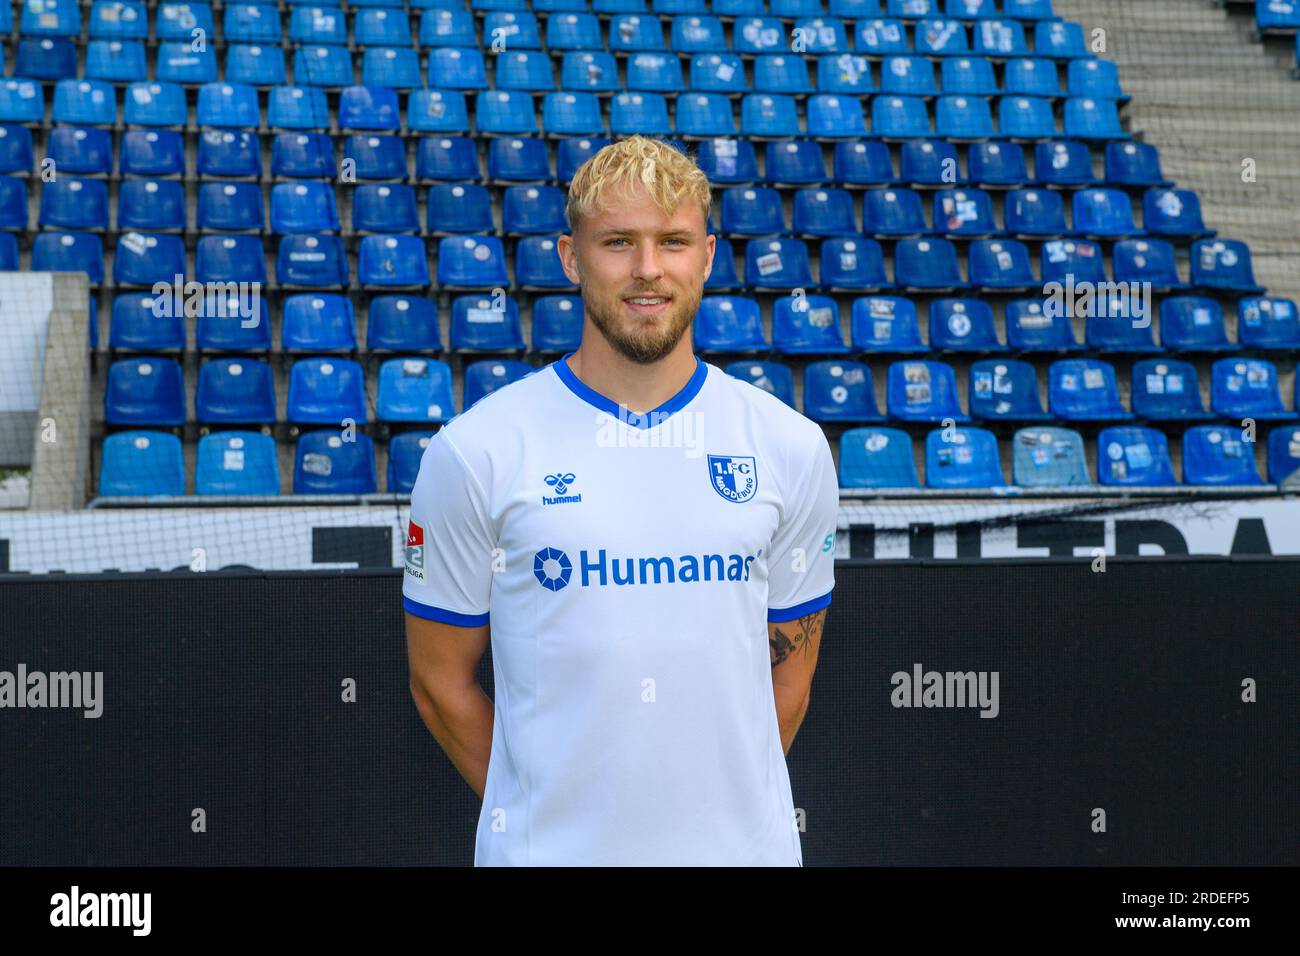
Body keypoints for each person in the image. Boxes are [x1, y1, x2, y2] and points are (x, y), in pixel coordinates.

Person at [404, 136, 838, 865]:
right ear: (572, 258)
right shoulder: (476, 451)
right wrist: (547, 821)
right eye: (617, 242)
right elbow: (438, 683)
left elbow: (787, 681)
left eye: (672, 242)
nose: (647, 270)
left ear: (705, 255)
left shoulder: (788, 447)